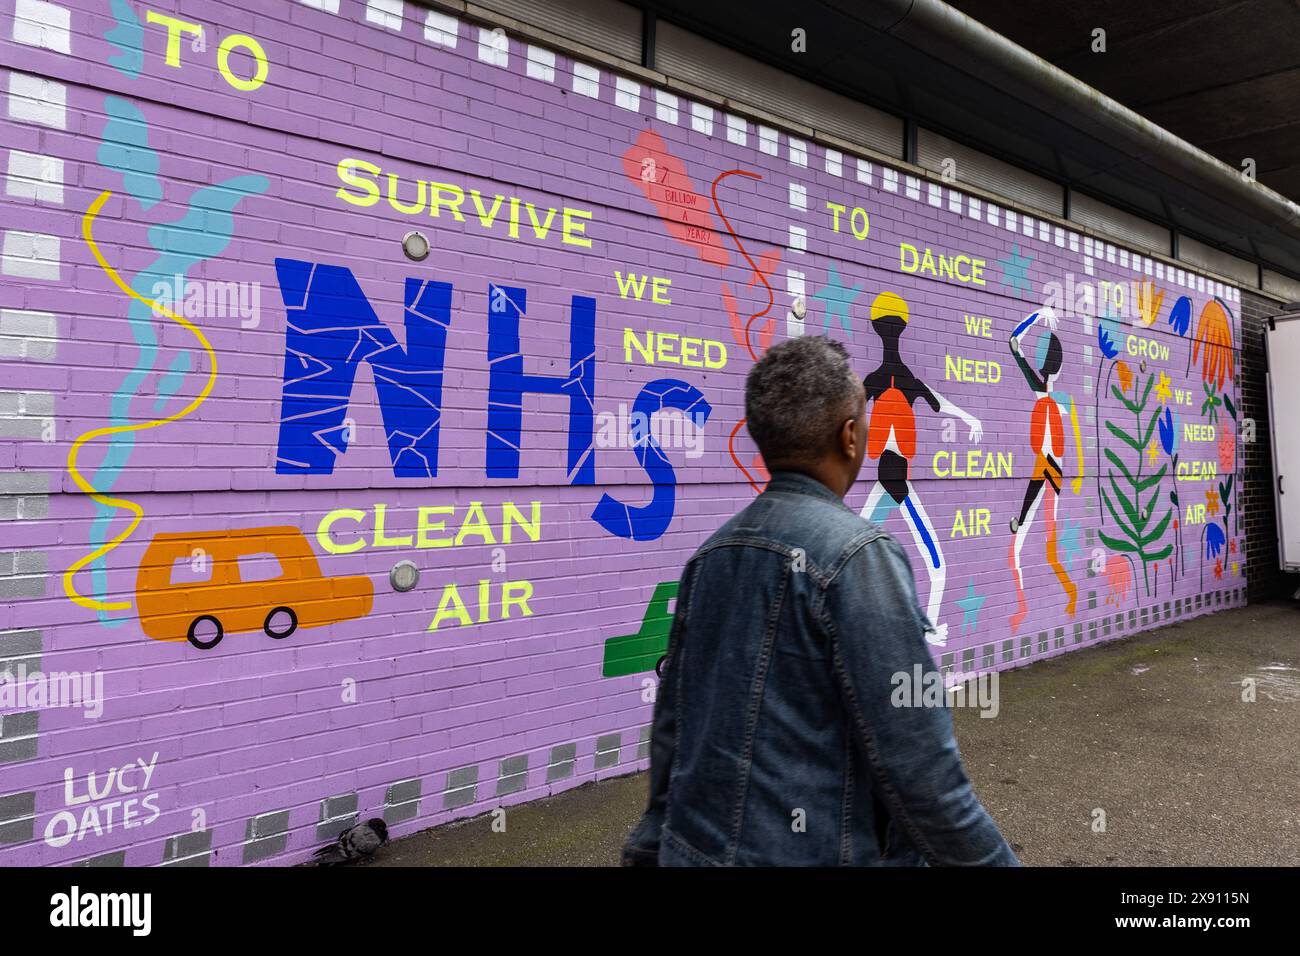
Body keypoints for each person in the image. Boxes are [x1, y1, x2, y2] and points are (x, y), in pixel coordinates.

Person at [622, 336, 1019, 866]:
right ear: (850, 436)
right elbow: (920, 768)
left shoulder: (710, 557)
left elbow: (674, 730)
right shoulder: (859, 557)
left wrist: (651, 849)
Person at [858, 292, 983, 647]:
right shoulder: (896, 378)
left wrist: (967, 416)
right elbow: (939, 402)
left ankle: (919, 627)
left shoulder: (880, 378)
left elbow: (938, 401)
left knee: (857, 550)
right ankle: (925, 627)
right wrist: (968, 417)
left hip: (892, 479)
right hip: (895, 480)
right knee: (935, 562)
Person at [1007, 307, 1081, 631]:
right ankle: (1042, 601)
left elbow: (1013, 343)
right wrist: (1037, 315)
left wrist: (1036, 317)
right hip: (1050, 468)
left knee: (1032, 545)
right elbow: (1014, 344)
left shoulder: (1049, 395)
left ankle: (1063, 595)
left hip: (1050, 469)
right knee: (1029, 544)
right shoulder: (1052, 396)